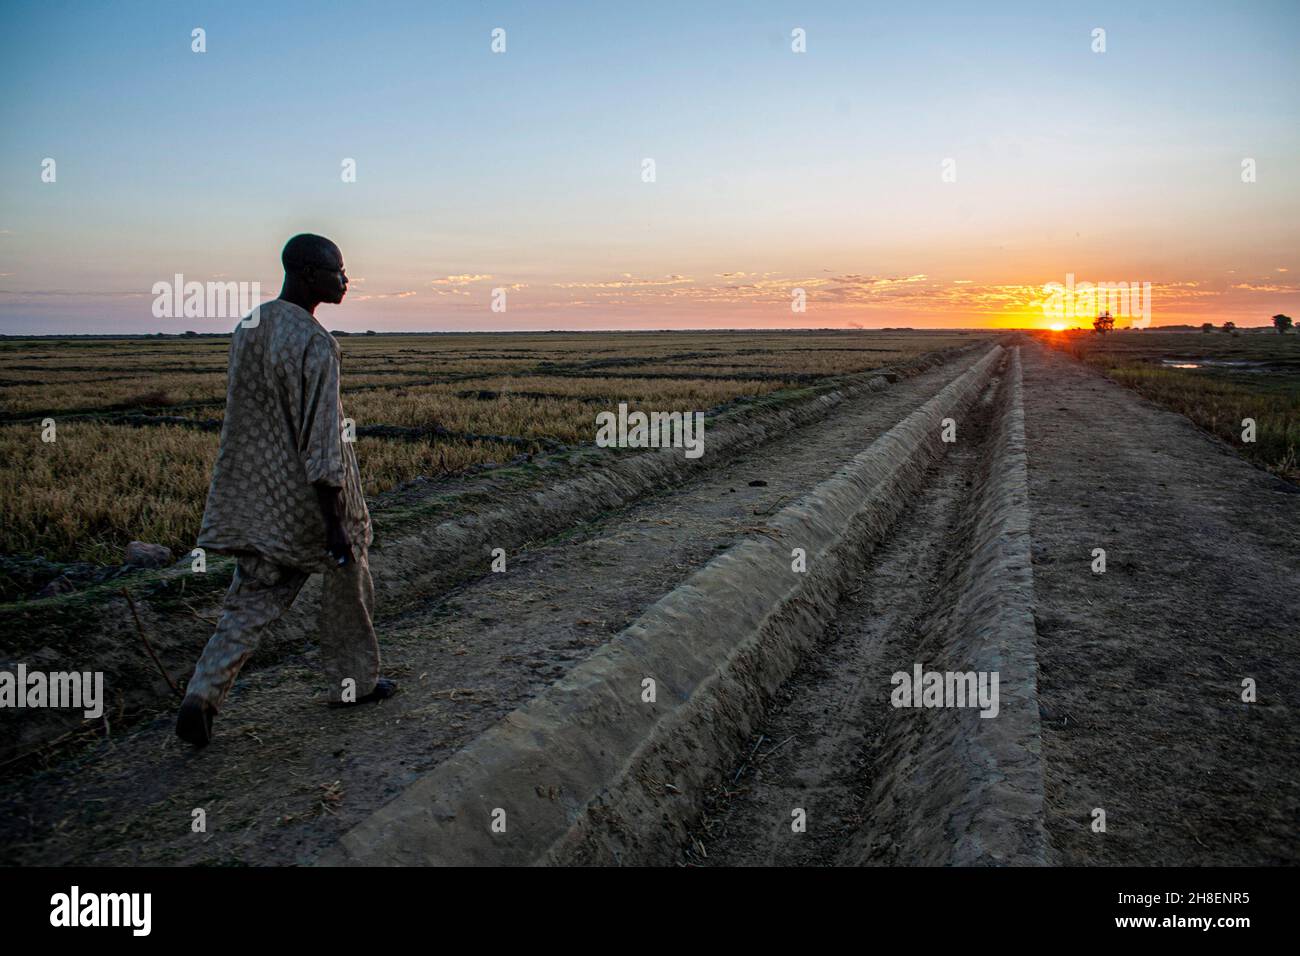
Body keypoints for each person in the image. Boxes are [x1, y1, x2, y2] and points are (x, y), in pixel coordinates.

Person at [176, 234, 396, 747]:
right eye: (338, 271)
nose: (346, 280)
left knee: (251, 597)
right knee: (348, 580)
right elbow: (322, 440)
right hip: (312, 499)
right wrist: (336, 521)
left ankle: (202, 694)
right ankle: (353, 684)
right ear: (306, 273)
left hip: (258, 496)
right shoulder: (316, 344)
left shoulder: (250, 326)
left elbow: (247, 419)